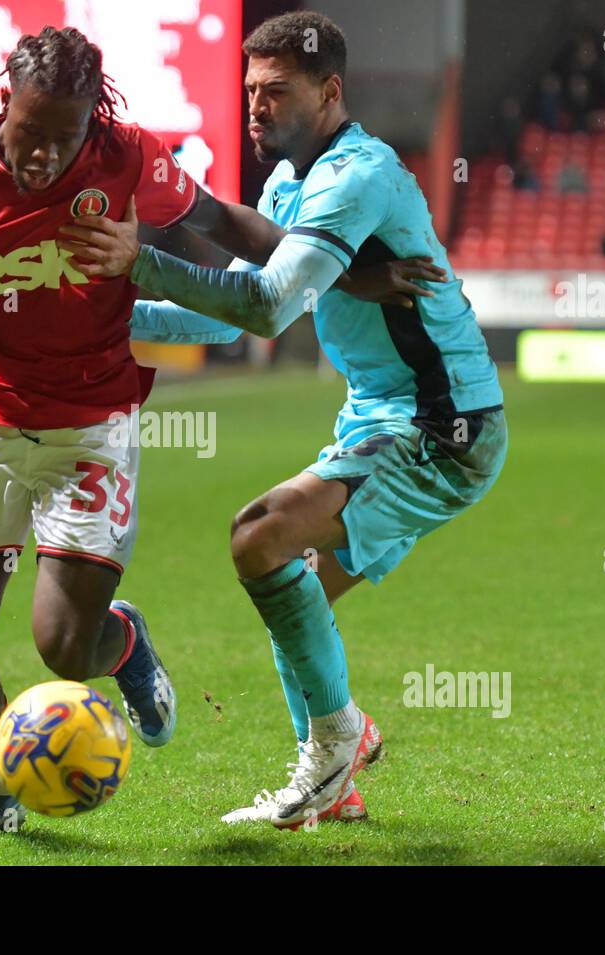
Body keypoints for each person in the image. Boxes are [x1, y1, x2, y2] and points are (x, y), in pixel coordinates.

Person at [0, 24, 434, 838]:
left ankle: (126, 644)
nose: (45, 156)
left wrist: (351, 273)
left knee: (65, 646)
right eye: (32, 134)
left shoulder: (127, 156)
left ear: (91, 121)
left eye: (64, 138)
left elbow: (228, 224)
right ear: (7, 103)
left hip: (91, 425)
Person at [60, 11, 507, 829]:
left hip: (443, 425)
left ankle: (336, 744)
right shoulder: (287, 188)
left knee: (258, 534)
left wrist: (141, 259)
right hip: (381, 419)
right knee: (291, 591)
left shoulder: (359, 175)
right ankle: (335, 778)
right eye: (249, 92)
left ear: (330, 91)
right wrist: (105, 315)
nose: (256, 107)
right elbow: (224, 322)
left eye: (276, 92)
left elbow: (266, 306)